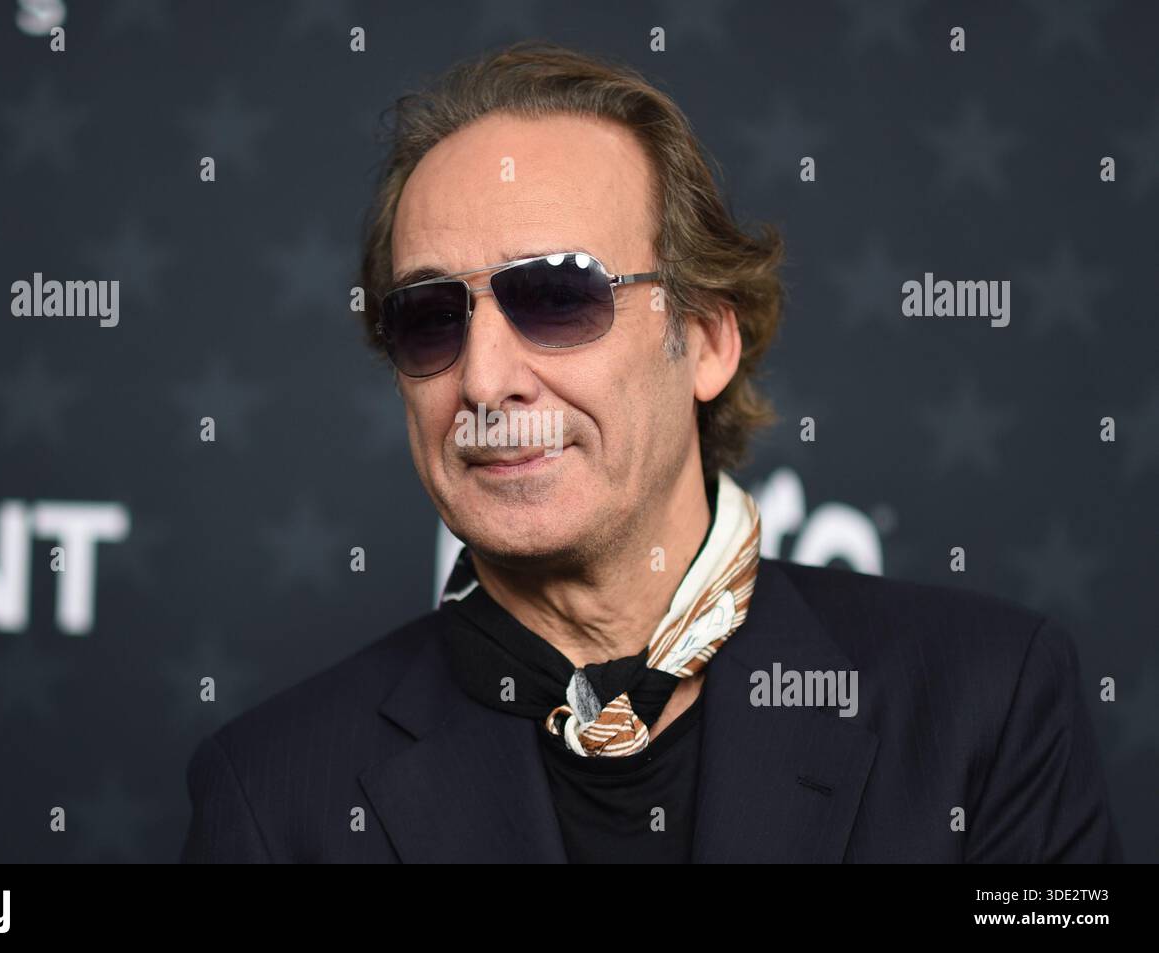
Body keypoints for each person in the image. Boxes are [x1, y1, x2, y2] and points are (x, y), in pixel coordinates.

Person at [181, 41, 1121, 863]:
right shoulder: (273, 797)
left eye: (556, 296)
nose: (483, 379)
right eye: (430, 318)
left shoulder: (982, 706)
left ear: (709, 337)